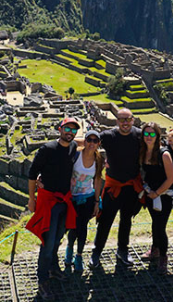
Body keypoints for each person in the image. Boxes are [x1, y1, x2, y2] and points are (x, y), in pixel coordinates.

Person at [26, 117, 80, 300]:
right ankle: (42, 280)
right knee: (48, 242)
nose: (70, 133)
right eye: (67, 129)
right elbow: (33, 173)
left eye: (73, 130)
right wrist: (31, 199)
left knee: (57, 238)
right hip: (48, 201)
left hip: (64, 201)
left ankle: (53, 268)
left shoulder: (73, 148)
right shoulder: (47, 149)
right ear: (60, 129)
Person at [90, 108, 144, 268]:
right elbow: (89, 143)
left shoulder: (139, 135)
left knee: (126, 220)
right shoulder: (108, 136)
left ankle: (123, 250)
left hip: (131, 187)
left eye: (128, 119)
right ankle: (96, 252)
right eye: (121, 119)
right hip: (113, 186)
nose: (125, 123)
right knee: (105, 220)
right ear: (117, 121)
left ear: (133, 120)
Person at [64, 129, 104, 272]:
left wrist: (96, 201)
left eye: (95, 141)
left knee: (82, 228)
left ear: (98, 143)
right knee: (72, 227)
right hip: (71, 197)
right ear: (85, 141)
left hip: (87, 197)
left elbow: (98, 180)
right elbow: (70, 141)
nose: (91, 143)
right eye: (89, 140)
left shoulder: (99, 159)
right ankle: (69, 250)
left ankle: (79, 255)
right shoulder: (75, 155)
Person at [138, 122, 173, 274]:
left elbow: (171, 179)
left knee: (160, 227)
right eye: (146, 134)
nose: (149, 137)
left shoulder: (164, 154)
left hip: (164, 196)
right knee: (155, 223)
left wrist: (157, 193)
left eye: (152, 134)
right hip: (150, 194)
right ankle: (155, 249)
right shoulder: (144, 152)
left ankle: (163, 258)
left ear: (158, 136)